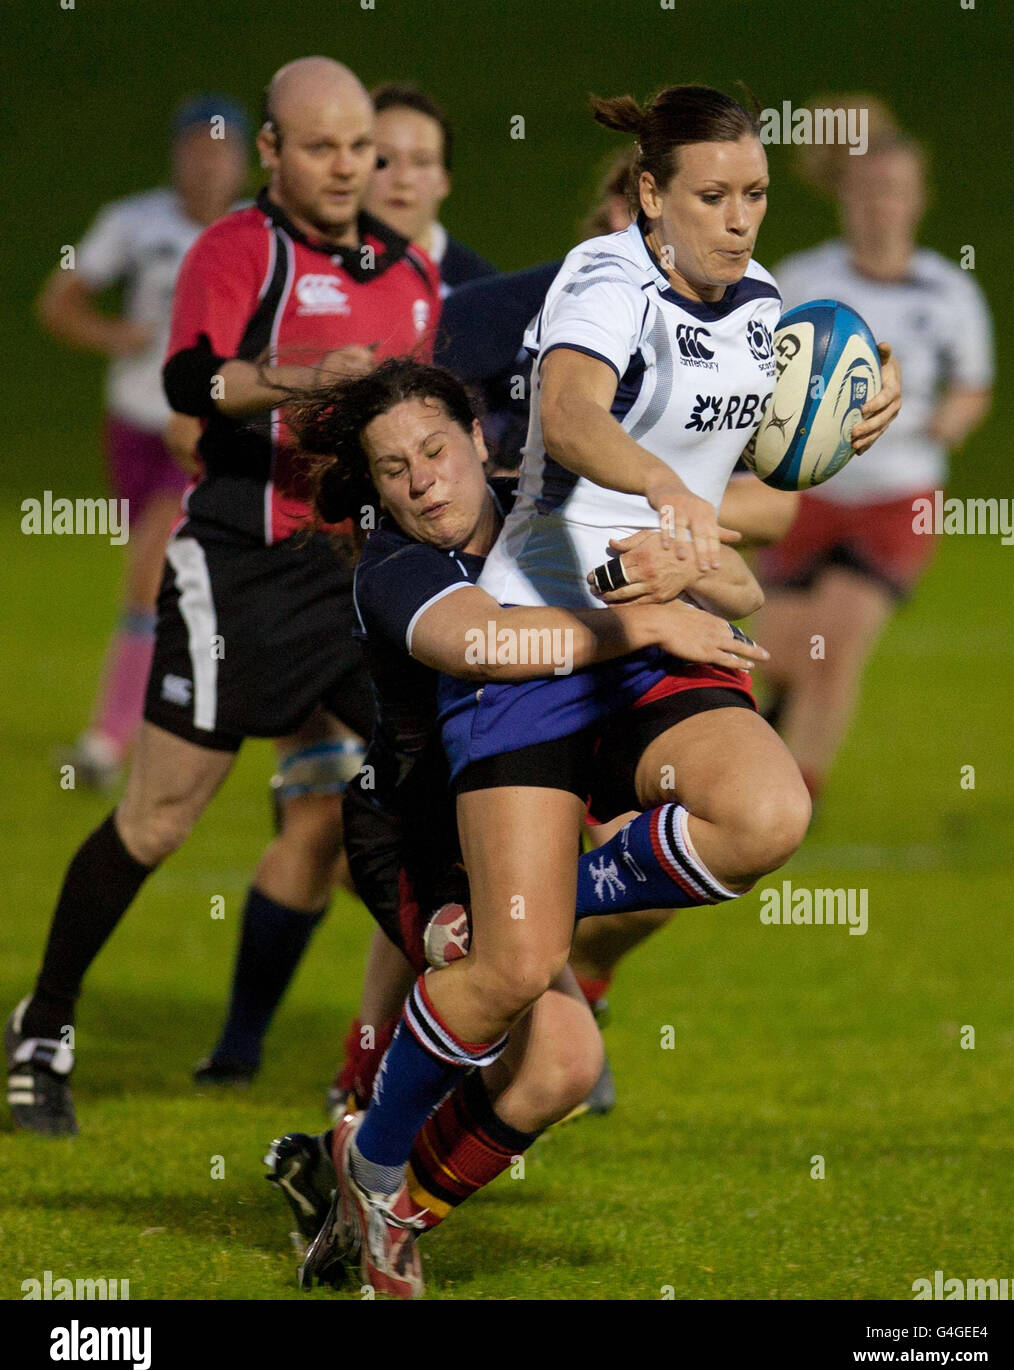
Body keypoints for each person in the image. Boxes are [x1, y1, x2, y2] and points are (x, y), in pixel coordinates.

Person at [326, 83, 904, 1298]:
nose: (739, 219)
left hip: (653, 631)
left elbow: (769, 440)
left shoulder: (756, 310)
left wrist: (856, 410)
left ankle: (540, 915)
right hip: (545, 619)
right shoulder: (604, 276)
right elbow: (579, 415)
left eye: (752, 193)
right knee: (512, 978)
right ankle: (374, 1165)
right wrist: (667, 491)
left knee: (769, 815)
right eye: (711, 195)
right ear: (650, 195)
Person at [265, 356, 768, 1294]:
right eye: (392, 469)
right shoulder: (399, 566)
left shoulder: (545, 509)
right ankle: (367, 1163)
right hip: (416, 838)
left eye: (435, 450)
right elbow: (492, 646)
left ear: (478, 440)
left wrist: (689, 554)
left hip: (523, 813)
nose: (422, 481)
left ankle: (384, 1209)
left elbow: (744, 593)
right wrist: (645, 622)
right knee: (528, 1000)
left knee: (561, 1070)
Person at [5, 57, 440, 1136]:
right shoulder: (240, 250)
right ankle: (43, 1028)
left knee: (432, 798)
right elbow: (186, 381)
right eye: (323, 145)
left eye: (361, 146)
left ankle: (419, 1058)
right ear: (274, 153)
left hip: (358, 580)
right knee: (158, 817)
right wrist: (302, 379)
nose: (347, 166)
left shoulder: (413, 275)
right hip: (239, 571)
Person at [756, 118, 994, 805]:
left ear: (918, 199)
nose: (880, 203)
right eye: (867, 189)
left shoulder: (949, 293)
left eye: (894, 189)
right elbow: (764, 369)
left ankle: (796, 796)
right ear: (844, 196)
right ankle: (776, 725)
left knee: (841, 641)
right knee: (781, 651)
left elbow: (972, 385)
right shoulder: (807, 277)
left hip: (899, 495)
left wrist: (951, 419)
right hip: (805, 491)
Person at [35, 96, 249, 791]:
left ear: (244, 159)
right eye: (197, 148)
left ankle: (107, 742)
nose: (209, 163)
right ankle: (195, 710)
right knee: (164, 580)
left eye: (222, 150)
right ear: (178, 155)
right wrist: (114, 336)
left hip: (200, 429)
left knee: (153, 574)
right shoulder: (134, 221)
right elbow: (57, 302)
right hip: (132, 422)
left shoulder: (257, 232)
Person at [365, 83, 496, 295]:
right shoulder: (316, 277)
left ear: (444, 181)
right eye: (383, 160)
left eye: (422, 162)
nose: (403, 179)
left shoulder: (482, 289)